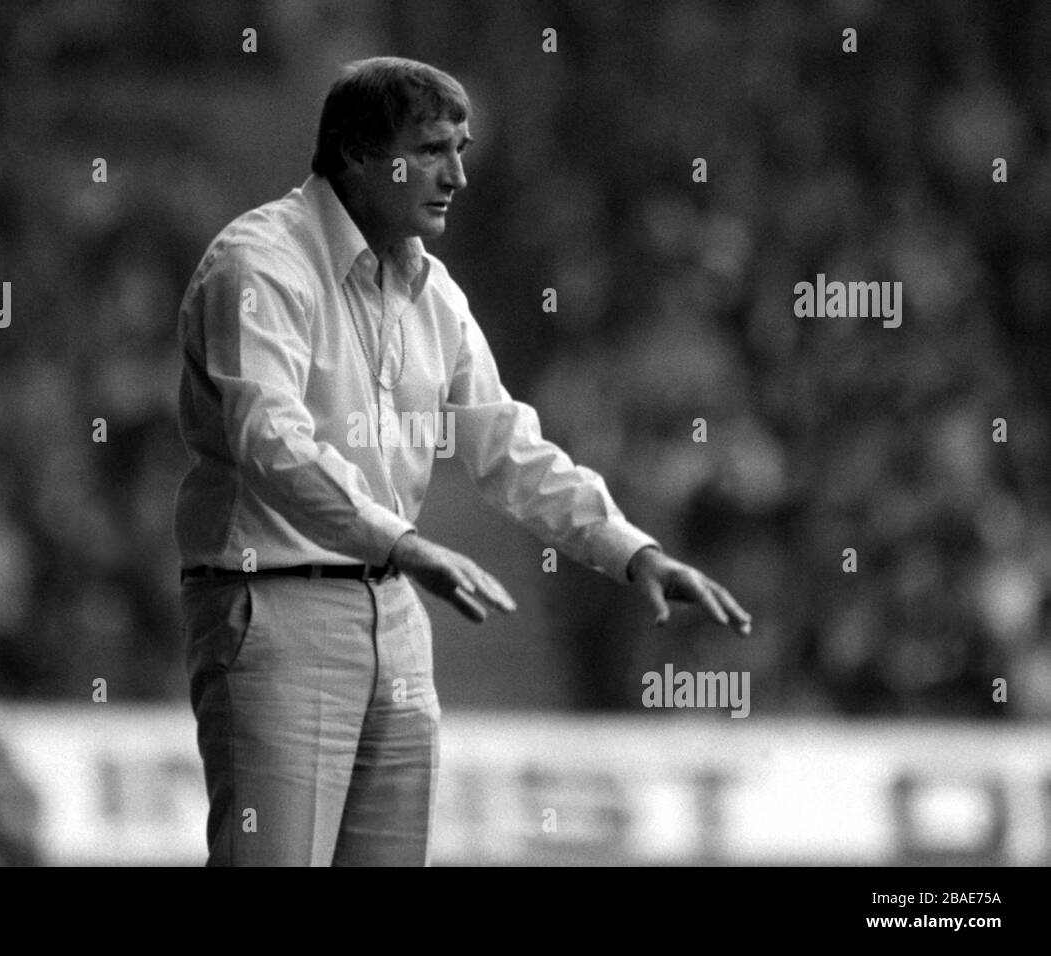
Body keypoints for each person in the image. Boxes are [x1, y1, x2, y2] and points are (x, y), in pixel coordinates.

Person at [174, 56, 751, 867]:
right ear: (357, 153)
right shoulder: (259, 265)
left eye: (463, 149)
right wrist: (402, 543)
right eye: (436, 150)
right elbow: (270, 440)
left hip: (396, 617)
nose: (458, 175)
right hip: (277, 607)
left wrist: (629, 548)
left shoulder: (434, 292)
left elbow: (506, 444)